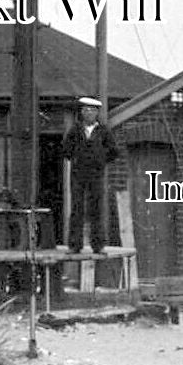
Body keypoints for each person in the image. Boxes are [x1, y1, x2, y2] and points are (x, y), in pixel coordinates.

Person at [62, 96, 116, 253]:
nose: (88, 113)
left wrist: (100, 159)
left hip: (96, 175)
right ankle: (74, 245)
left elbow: (113, 151)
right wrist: (77, 158)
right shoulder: (75, 130)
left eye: (92, 110)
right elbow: (65, 150)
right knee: (77, 208)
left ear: (97, 113)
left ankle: (98, 245)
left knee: (96, 209)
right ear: (81, 112)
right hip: (78, 174)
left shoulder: (103, 131)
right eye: (85, 110)